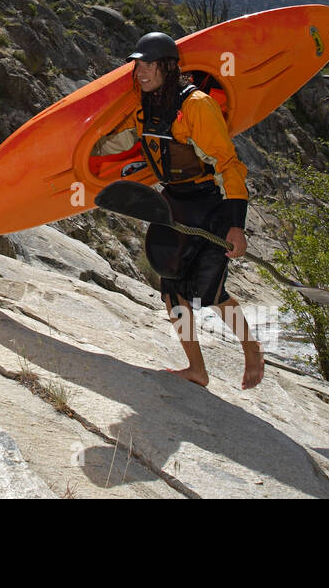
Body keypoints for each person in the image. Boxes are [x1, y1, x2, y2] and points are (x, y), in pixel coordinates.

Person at [99, 32, 264, 389]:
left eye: (149, 65)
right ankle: (196, 369)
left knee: (210, 291)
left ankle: (251, 349)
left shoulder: (197, 106)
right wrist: (83, 147)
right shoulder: (146, 108)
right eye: (137, 65)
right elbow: (125, 138)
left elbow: (229, 166)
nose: (141, 72)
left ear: (168, 67)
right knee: (172, 292)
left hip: (210, 204)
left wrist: (237, 226)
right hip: (173, 204)